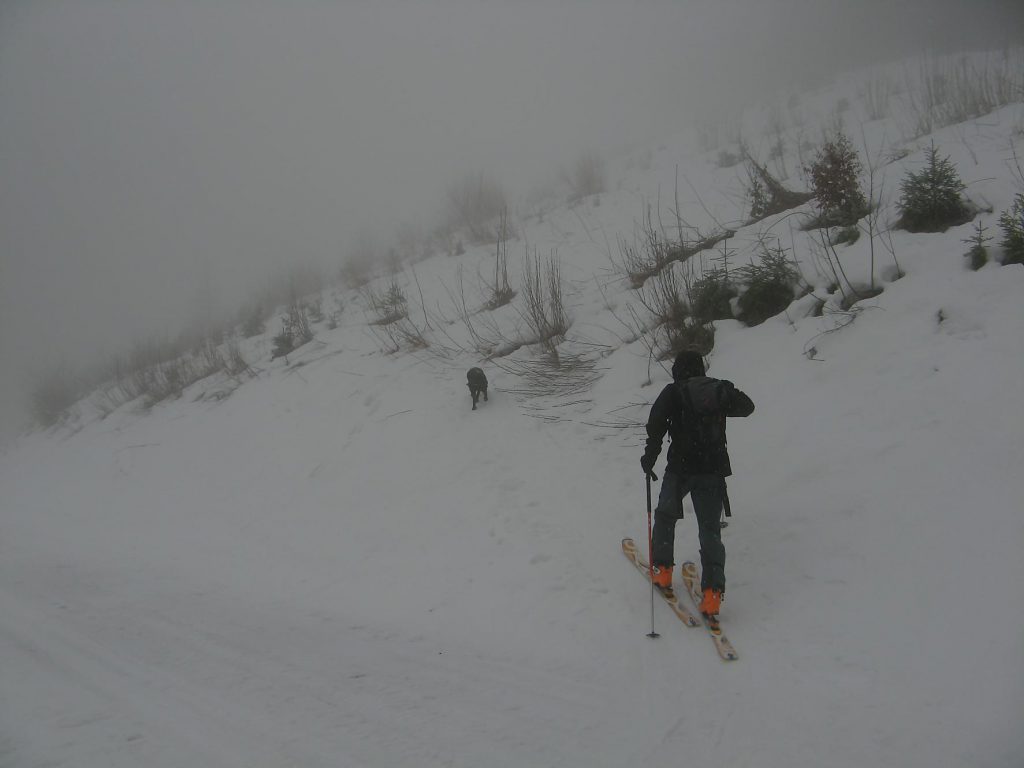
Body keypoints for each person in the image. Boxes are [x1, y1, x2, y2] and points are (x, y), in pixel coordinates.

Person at [640, 350, 754, 617]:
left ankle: (663, 571)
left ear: (678, 369)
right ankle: (713, 594)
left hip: (680, 468)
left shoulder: (673, 392)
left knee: (665, 515)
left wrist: (649, 458)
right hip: (712, 471)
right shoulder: (716, 390)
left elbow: (655, 425)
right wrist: (723, 391)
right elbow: (747, 407)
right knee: (710, 529)